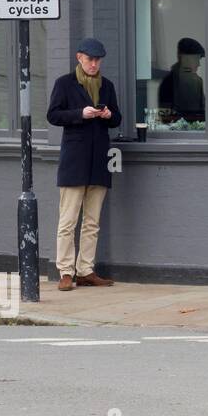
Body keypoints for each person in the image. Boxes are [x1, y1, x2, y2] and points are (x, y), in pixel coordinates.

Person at [46, 38, 122, 291]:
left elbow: (117, 119)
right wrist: (80, 114)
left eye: (98, 59)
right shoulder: (65, 84)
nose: (94, 64)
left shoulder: (107, 86)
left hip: (99, 160)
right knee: (68, 221)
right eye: (90, 59)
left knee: (92, 221)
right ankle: (65, 272)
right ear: (79, 57)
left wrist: (109, 115)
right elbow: (53, 115)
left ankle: (86, 270)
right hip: (74, 161)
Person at [156, 37, 206, 122]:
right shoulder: (169, 82)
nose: (198, 64)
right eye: (196, 59)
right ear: (185, 58)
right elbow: (166, 116)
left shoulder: (197, 82)